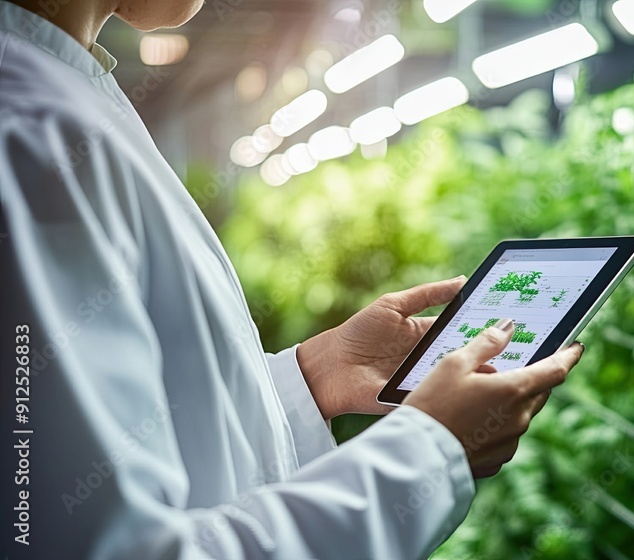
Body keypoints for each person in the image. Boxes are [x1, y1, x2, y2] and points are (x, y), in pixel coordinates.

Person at [0, 0, 584, 557]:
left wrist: (311, 379)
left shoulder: (65, 91)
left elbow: (160, 434)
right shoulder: (30, 133)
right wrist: (431, 450)